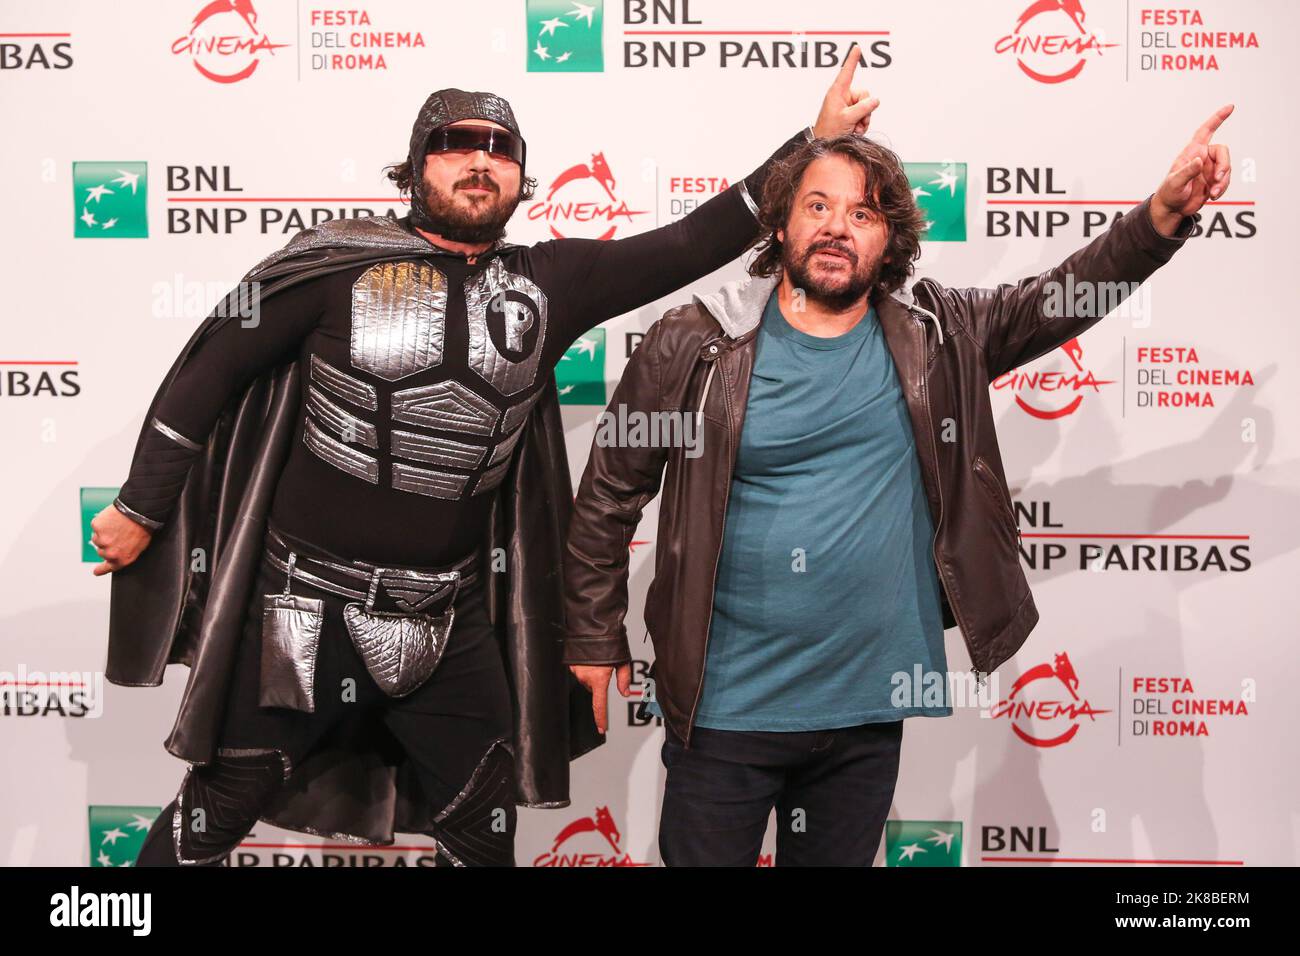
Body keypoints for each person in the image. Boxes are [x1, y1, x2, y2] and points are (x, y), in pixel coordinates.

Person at [89, 56, 881, 866]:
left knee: (481, 824)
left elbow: (693, 239)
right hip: (302, 610)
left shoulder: (552, 282)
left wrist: (811, 142)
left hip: (448, 620)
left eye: (500, 149)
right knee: (215, 810)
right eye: (456, 144)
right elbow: (206, 376)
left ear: (520, 177)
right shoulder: (333, 265)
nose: (480, 161)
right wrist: (141, 507)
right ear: (415, 164)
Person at [563, 106, 1233, 866]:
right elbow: (608, 494)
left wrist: (1159, 220)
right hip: (725, 714)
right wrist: (591, 633)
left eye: (863, 213)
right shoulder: (694, 340)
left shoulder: (937, 334)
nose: (836, 227)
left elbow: (1061, 296)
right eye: (817, 206)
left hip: (864, 715)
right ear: (781, 225)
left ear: (890, 243)